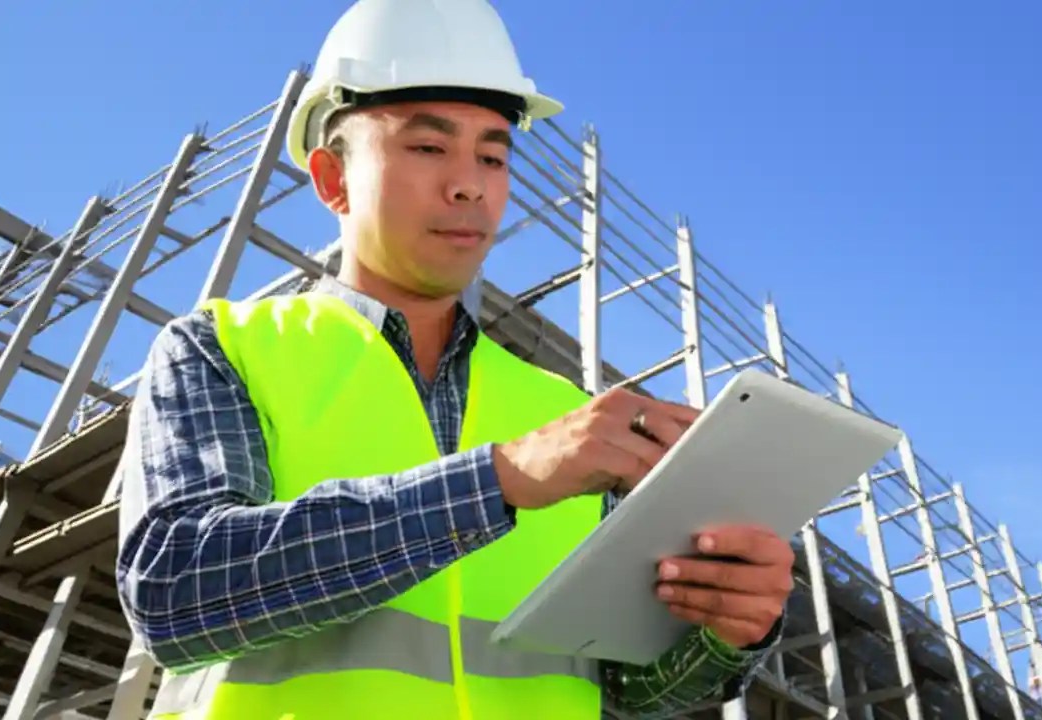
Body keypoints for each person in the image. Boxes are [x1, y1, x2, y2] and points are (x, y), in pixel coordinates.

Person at [114, 1, 795, 717]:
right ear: (332, 179)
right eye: (428, 148)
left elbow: (619, 688)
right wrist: (498, 481)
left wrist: (728, 629)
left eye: (494, 156)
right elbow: (173, 592)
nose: (470, 183)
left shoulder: (560, 409)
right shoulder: (224, 348)